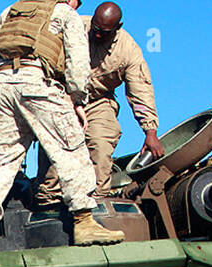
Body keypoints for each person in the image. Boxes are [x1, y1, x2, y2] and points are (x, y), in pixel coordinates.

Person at [0, 0, 124, 252]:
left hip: (0, 85)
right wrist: (77, 100)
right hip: (37, 82)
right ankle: (84, 222)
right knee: (70, 148)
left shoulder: (10, 11)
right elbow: (78, 63)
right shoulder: (64, 13)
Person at [35, 1, 163, 205]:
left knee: (101, 147)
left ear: (117, 28)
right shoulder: (73, 26)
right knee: (55, 154)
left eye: (103, 32)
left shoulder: (128, 50)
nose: (96, 35)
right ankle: (48, 202)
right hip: (64, 97)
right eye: (94, 29)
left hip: (98, 101)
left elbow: (140, 90)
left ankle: (97, 205)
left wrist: (150, 131)